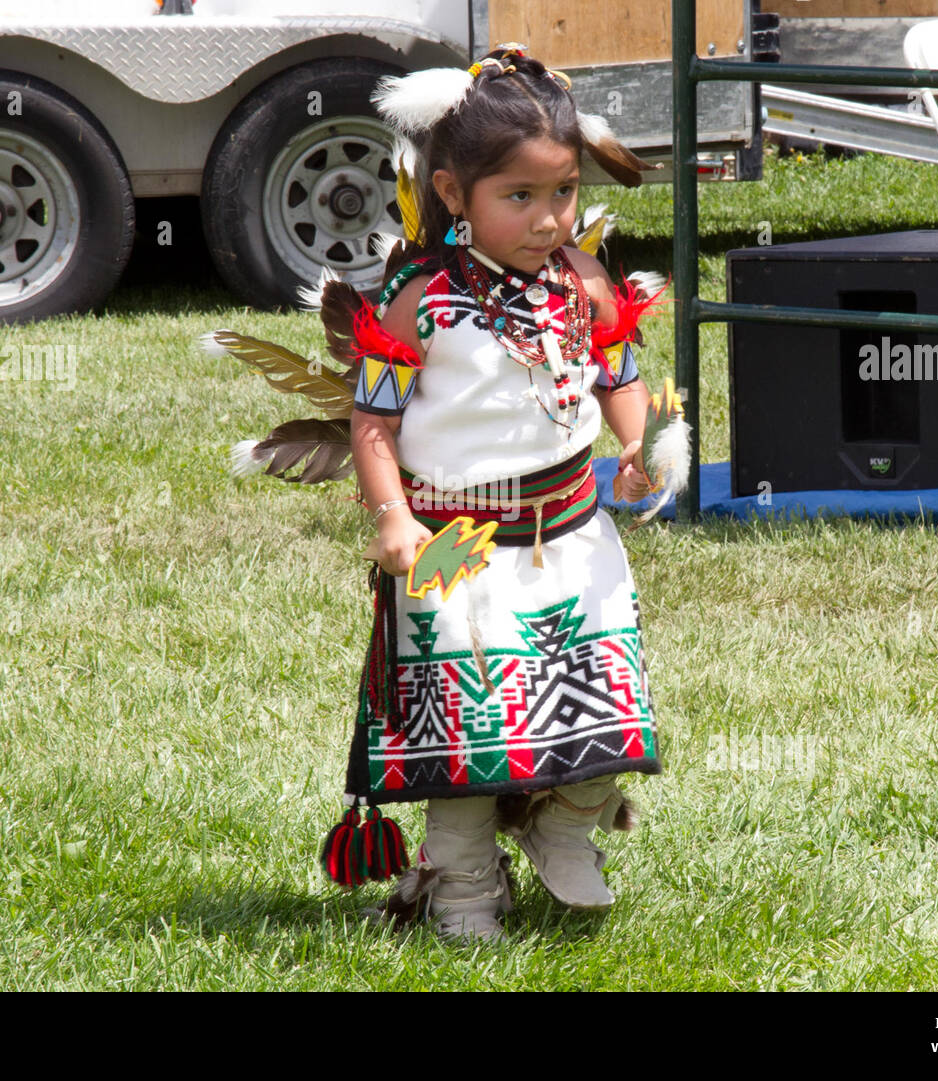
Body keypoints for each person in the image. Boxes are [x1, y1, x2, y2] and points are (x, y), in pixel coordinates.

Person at [341, 45, 665, 940]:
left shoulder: (584, 283)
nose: (547, 218)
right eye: (517, 198)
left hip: (573, 534)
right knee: (471, 739)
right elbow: (373, 427)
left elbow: (619, 376)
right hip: (453, 542)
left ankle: (564, 827)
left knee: (607, 711)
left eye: (560, 193)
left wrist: (635, 443)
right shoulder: (420, 301)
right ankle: (464, 885)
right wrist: (394, 515)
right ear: (453, 194)